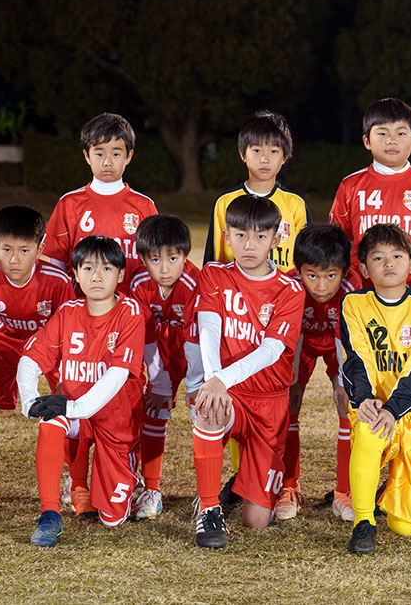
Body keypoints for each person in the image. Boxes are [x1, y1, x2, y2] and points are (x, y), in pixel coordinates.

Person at [191, 195, 305, 548]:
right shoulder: (214, 274)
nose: (249, 245)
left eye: (259, 236)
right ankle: (209, 508)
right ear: (227, 237)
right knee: (207, 409)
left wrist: (219, 378)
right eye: (240, 235)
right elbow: (207, 329)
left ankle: (244, 483)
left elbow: (271, 351)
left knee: (256, 521)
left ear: (276, 237)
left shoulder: (290, 289)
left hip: (270, 403)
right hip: (231, 396)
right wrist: (214, 381)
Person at [19, 236, 147, 547]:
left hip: (114, 420)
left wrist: (74, 409)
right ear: (75, 273)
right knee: (50, 422)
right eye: (87, 267)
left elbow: (117, 375)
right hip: (76, 414)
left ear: (120, 274)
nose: (96, 276)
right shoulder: (68, 312)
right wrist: (29, 402)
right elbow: (29, 360)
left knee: (112, 518)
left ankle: (131, 481)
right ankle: (50, 513)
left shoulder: (130, 313)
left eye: (106, 268)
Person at [339, 223, 411, 555]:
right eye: (378, 257)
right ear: (363, 267)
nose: (388, 264)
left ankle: (393, 489)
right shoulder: (353, 304)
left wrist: (393, 409)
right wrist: (367, 400)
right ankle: (363, 521)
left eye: (397, 256)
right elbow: (357, 358)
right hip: (374, 405)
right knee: (369, 430)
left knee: (405, 526)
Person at [0, 206, 74, 514]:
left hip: (49, 346)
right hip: (3, 345)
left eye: (25, 250)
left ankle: (73, 479)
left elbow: (68, 329)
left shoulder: (57, 281)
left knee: (67, 400)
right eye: (7, 249)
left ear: (40, 249)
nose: (14, 259)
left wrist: (62, 370)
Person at [329, 97, 411, 294]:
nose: (391, 140)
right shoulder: (350, 185)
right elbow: (339, 240)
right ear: (366, 141)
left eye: (401, 133)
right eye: (382, 133)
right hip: (363, 287)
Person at [279, 224, 357, 522]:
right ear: (299, 270)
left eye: (330, 276)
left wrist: (342, 383)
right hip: (302, 340)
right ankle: (289, 486)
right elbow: (290, 338)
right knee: (289, 400)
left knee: (347, 401)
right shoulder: (289, 287)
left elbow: (346, 343)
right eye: (312, 275)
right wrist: (292, 380)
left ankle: (344, 492)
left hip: (338, 340)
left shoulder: (352, 289)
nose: (321, 287)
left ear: (344, 271)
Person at [129, 215, 201, 520]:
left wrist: (197, 385)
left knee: (204, 414)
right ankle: (152, 489)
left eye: (172, 258)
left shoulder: (195, 284)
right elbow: (144, 335)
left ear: (184, 255)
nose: (163, 268)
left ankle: (205, 494)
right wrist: (160, 384)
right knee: (154, 411)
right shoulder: (139, 283)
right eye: (154, 259)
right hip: (158, 352)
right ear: (143, 258)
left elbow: (199, 339)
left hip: (195, 351)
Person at [42, 113, 158, 295]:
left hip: (131, 306)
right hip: (81, 304)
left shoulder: (144, 205)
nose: (107, 161)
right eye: (99, 153)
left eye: (116, 153)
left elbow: (154, 262)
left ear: (128, 156)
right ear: (87, 156)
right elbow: (57, 264)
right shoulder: (69, 203)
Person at [204, 110, 309, 273]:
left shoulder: (295, 205)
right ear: (242, 154)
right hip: (236, 293)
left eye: (274, 151)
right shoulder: (225, 203)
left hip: (282, 294)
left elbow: (306, 261)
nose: (264, 159)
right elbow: (213, 262)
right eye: (256, 150)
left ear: (284, 157)